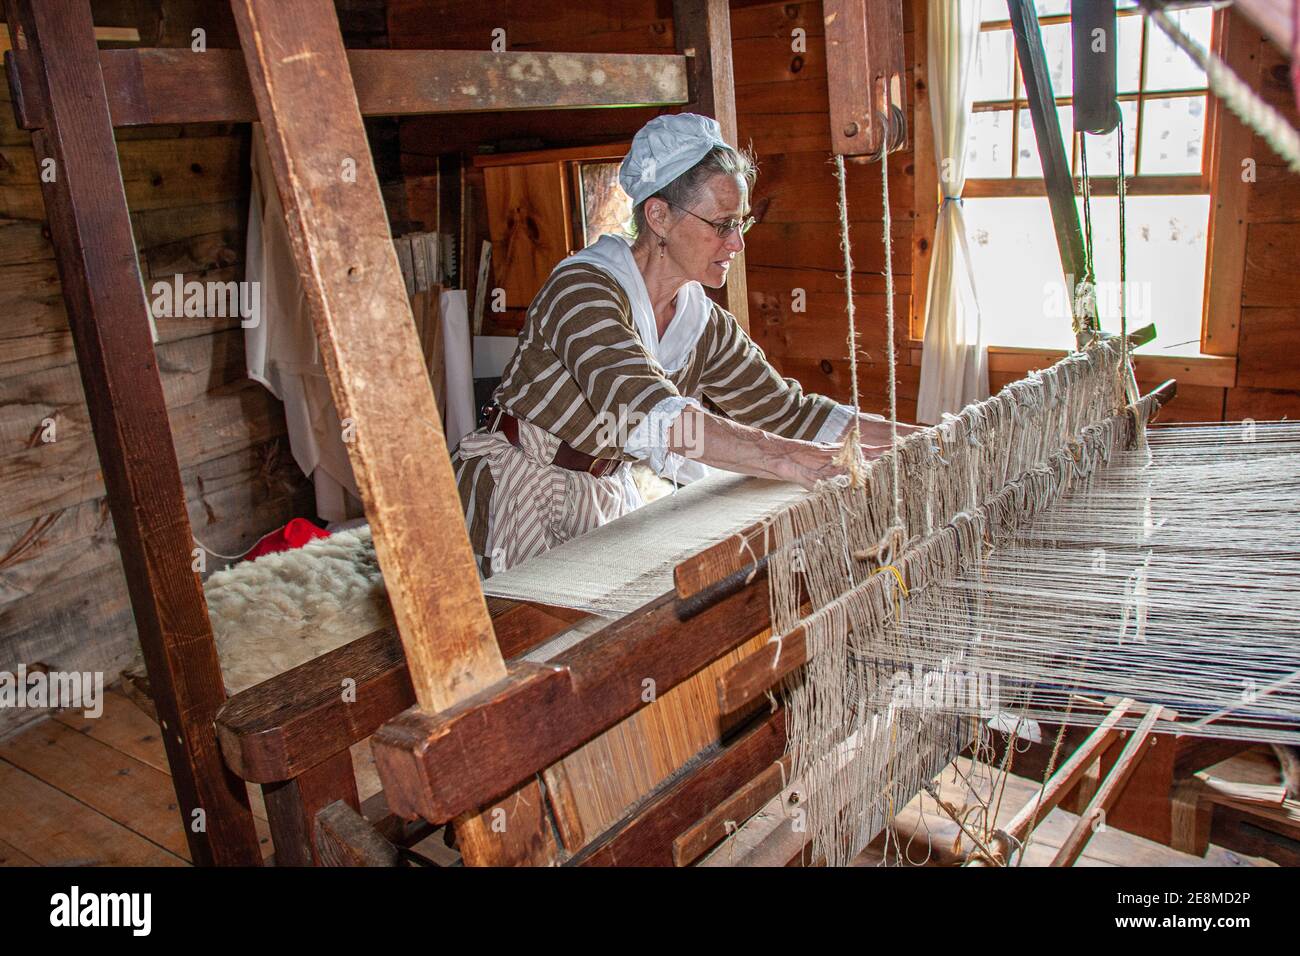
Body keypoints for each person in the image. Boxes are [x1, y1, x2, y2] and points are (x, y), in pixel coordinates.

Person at [452, 112, 919, 577]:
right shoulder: (583, 291)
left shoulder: (701, 325)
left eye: (742, 223)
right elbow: (648, 413)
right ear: (659, 216)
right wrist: (784, 456)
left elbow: (787, 411)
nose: (737, 243)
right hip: (521, 487)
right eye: (721, 224)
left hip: (600, 491)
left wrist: (920, 440)